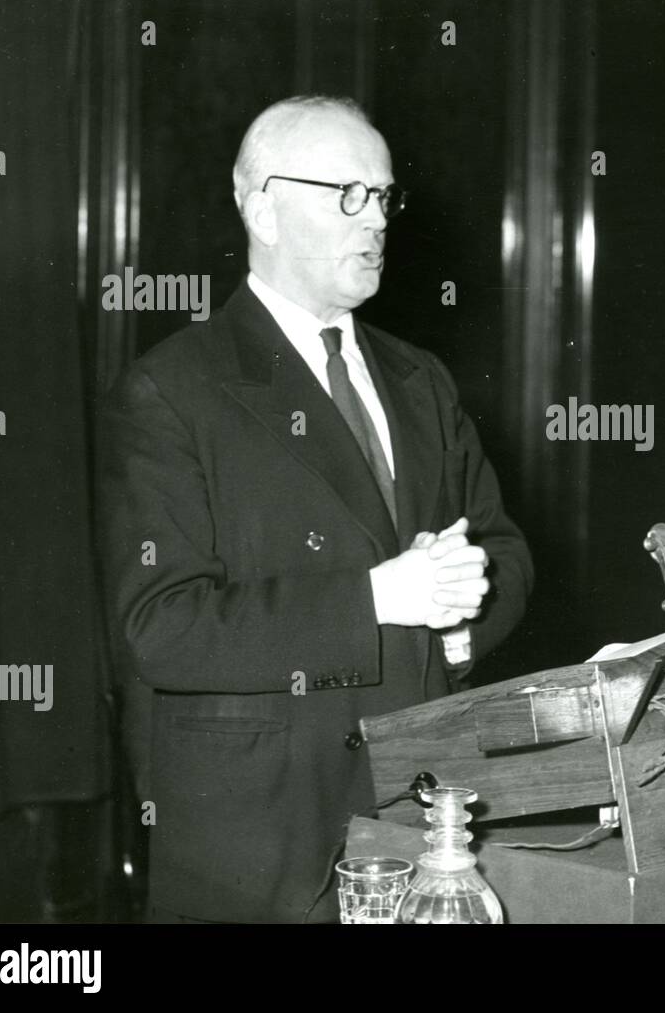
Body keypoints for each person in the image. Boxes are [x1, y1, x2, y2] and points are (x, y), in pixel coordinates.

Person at [98, 95, 532, 923]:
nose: (373, 220)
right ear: (262, 206)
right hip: (262, 844)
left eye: (383, 197)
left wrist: (460, 622)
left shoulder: (420, 378)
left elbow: (503, 548)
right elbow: (162, 628)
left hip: (421, 820)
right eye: (346, 194)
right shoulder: (171, 389)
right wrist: (376, 599)